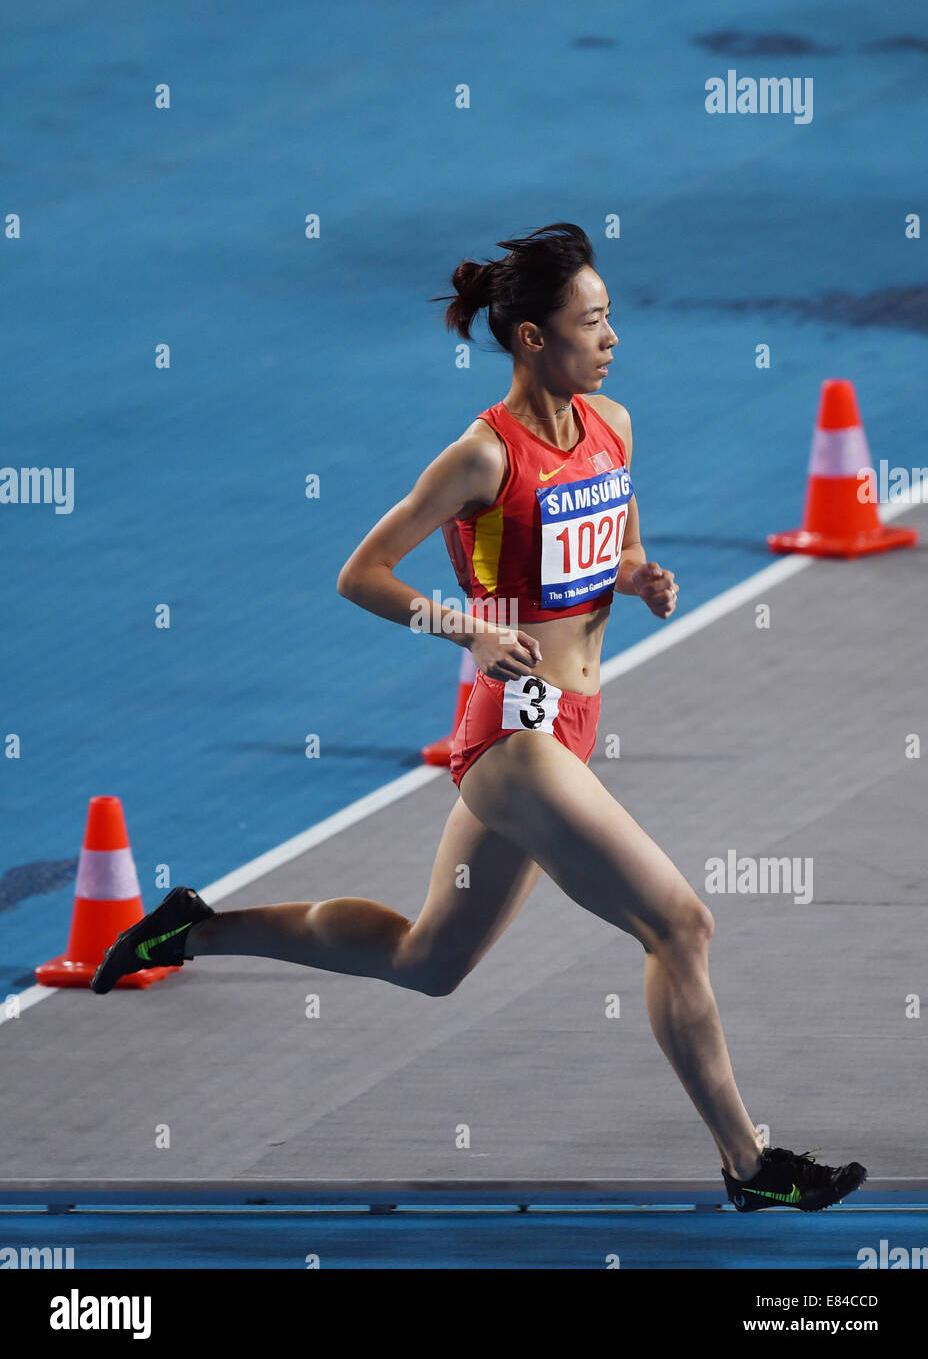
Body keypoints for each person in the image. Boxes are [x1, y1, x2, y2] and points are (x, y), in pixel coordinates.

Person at [92, 222, 865, 1213]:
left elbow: (613, 548)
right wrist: (460, 627)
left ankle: (191, 932)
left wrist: (640, 578)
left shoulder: (614, 425)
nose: (612, 336)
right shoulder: (478, 459)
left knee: (429, 961)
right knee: (680, 924)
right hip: (514, 735)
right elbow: (360, 574)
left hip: (575, 720)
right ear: (533, 338)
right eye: (592, 322)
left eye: (610, 316)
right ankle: (749, 1165)